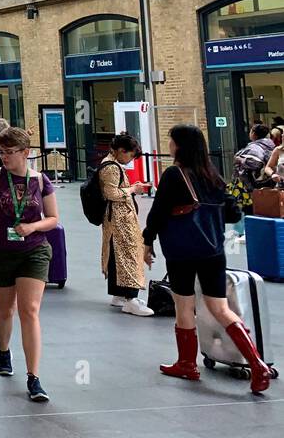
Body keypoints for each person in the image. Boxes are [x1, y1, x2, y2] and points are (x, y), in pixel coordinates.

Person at [143, 124, 271, 394]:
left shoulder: (173, 175)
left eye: (171, 141)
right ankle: (257, 363)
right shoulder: (212, 175)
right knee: (221, 308)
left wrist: (147, 240)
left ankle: (187, 364)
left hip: (182, 252)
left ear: (179, 146)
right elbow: (233, 214)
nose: (169, 145)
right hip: (213, 251)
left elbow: (158, 213)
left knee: (184, 306)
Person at [0, 126, 59, 403]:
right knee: (5, 309)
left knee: (29, 310)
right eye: (0, 151)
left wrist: (33, 226)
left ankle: (34, 377)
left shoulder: (41, 180)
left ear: (26, 152)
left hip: (34, 250)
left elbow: (53, 218)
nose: (4, 157)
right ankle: (4, 351)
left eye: (9, 152)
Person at [97, 133, 154, 316]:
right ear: (122, 151)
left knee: (116, 253)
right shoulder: (112, 168)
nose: (130, 160)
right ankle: (130, 298)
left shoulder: (110, 164)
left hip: (115, 217)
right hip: (120, 218)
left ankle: (119, 293)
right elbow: (111, 193)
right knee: (130, 253)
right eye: (130, 155)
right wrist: (133, 189)